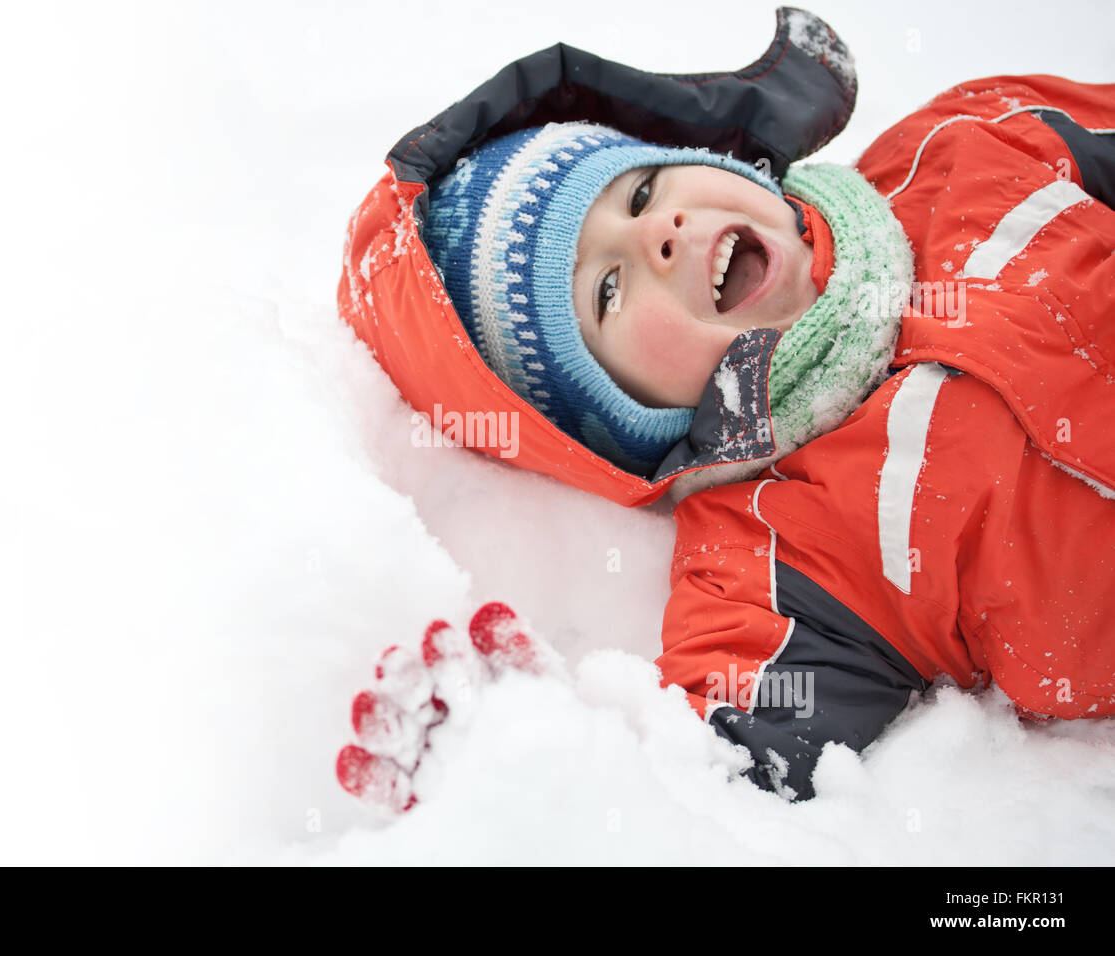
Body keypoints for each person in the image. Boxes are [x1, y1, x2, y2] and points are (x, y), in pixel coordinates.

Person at [334, 7, 1115, 808]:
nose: (659, 235)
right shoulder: (777, 553)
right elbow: (716, 779)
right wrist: (541, 767)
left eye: (639, 192)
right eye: (607, 289)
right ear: (620, 415)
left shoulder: (963, 148)